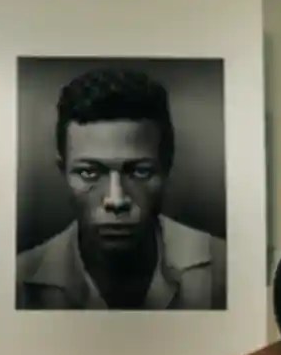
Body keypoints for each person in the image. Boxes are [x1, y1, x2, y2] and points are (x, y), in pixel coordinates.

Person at [16, 67, 227, 310]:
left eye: (140, 172)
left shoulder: (227, 268)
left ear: (166, 167)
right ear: (62, 170)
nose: (116, 200)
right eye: (89, 173)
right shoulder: (17, 281)